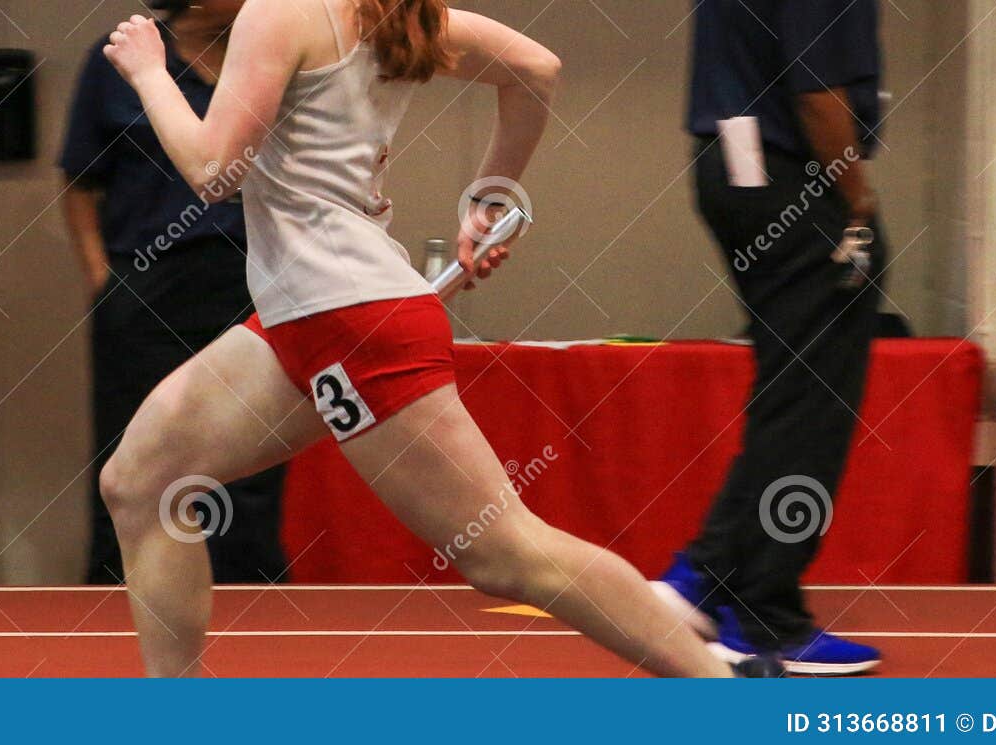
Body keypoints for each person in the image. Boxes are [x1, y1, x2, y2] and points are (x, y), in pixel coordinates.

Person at [98, 0, 777, 678]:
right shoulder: (389, 12)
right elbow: (535, 68)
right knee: (140, 481)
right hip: (304, 317)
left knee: (506, 551)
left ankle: (720, 687)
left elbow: (216, 173)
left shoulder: (278, 13)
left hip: (346, 321)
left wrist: (150, 70)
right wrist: (489, 196)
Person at [652, 0, 886, 675]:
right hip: (790, 173)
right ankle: (763, 617)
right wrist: (859, 198)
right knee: (810, 405)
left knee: (792, 392)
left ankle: (709, 574)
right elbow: (815, 89)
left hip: (737, 161)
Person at [61, 0, 288, 585]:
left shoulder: (271, 50)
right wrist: (103, 280)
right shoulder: (119, 59)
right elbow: (79, 181)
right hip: (146, 282)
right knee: (132, 452)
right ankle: (119, 589)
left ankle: (247, 588)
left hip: (250, 277)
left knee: (250, 453)